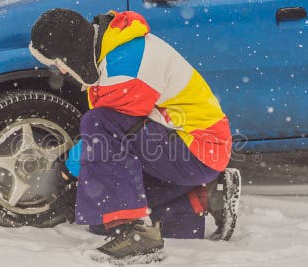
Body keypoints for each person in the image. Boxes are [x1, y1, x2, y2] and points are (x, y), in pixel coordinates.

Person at [29, 8, 241, 263]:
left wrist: (65, 170)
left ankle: (137, 237)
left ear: (71, 53)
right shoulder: (111, 47)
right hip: (180, 145)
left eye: (58, 63)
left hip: (198, 147)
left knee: (97, 124)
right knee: (102, 215)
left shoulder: (123, 72)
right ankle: (203, 198)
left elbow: (106, 135)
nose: (62, 71)